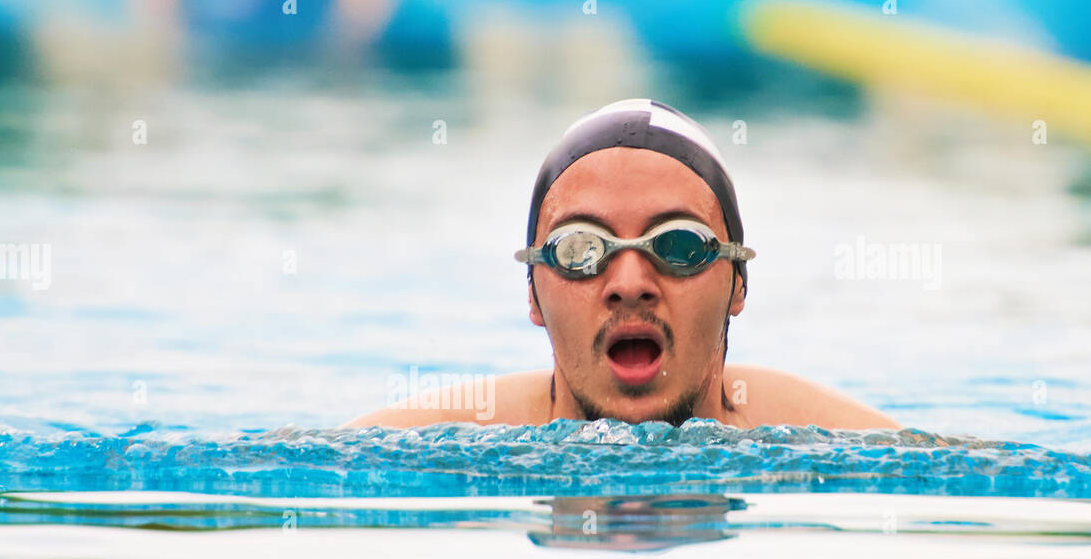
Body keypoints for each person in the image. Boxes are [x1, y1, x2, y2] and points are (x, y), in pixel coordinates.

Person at [344, 99, 900, 431]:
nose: (630, 285)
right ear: (533, 294)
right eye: (581, 249)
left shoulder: (826, 439)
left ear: (737, 282)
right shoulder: (440, 441)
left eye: (679, 246)